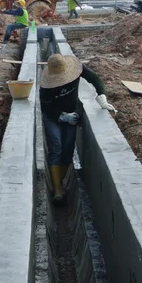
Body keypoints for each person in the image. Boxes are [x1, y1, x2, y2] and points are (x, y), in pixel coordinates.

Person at [40, 54, 116, 202]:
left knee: (68, 149)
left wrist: (102, 100)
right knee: (56, 146)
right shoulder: (46, 86)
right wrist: (63, 116)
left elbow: (95, 79)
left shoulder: (76, 70)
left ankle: (60, 180)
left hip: (72, 113)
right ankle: (57, 189)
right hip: (53, 117)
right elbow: (46, 107)